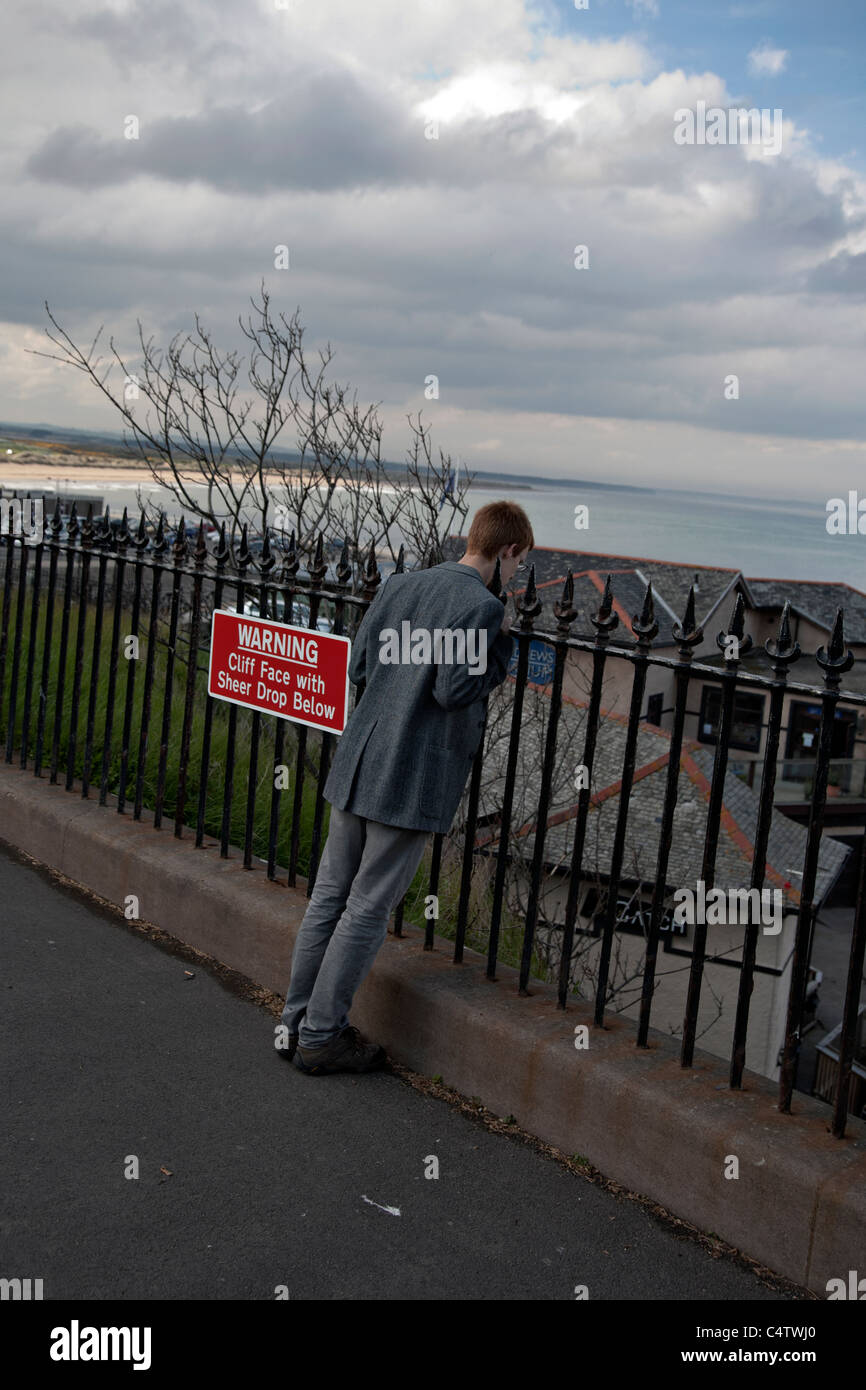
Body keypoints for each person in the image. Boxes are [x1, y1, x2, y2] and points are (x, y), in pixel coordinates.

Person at [278, 500, 534, 1075]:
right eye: (519, 563)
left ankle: (292, 1024)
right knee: (366, 909)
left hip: (359, 762)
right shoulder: (482, 607)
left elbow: (361, 668)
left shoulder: (399, 584)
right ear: (508, 550)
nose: (516, 574)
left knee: (327, 897)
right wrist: (502, 646)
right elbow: (453, 689)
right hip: (410, 776)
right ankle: (321, 1036)